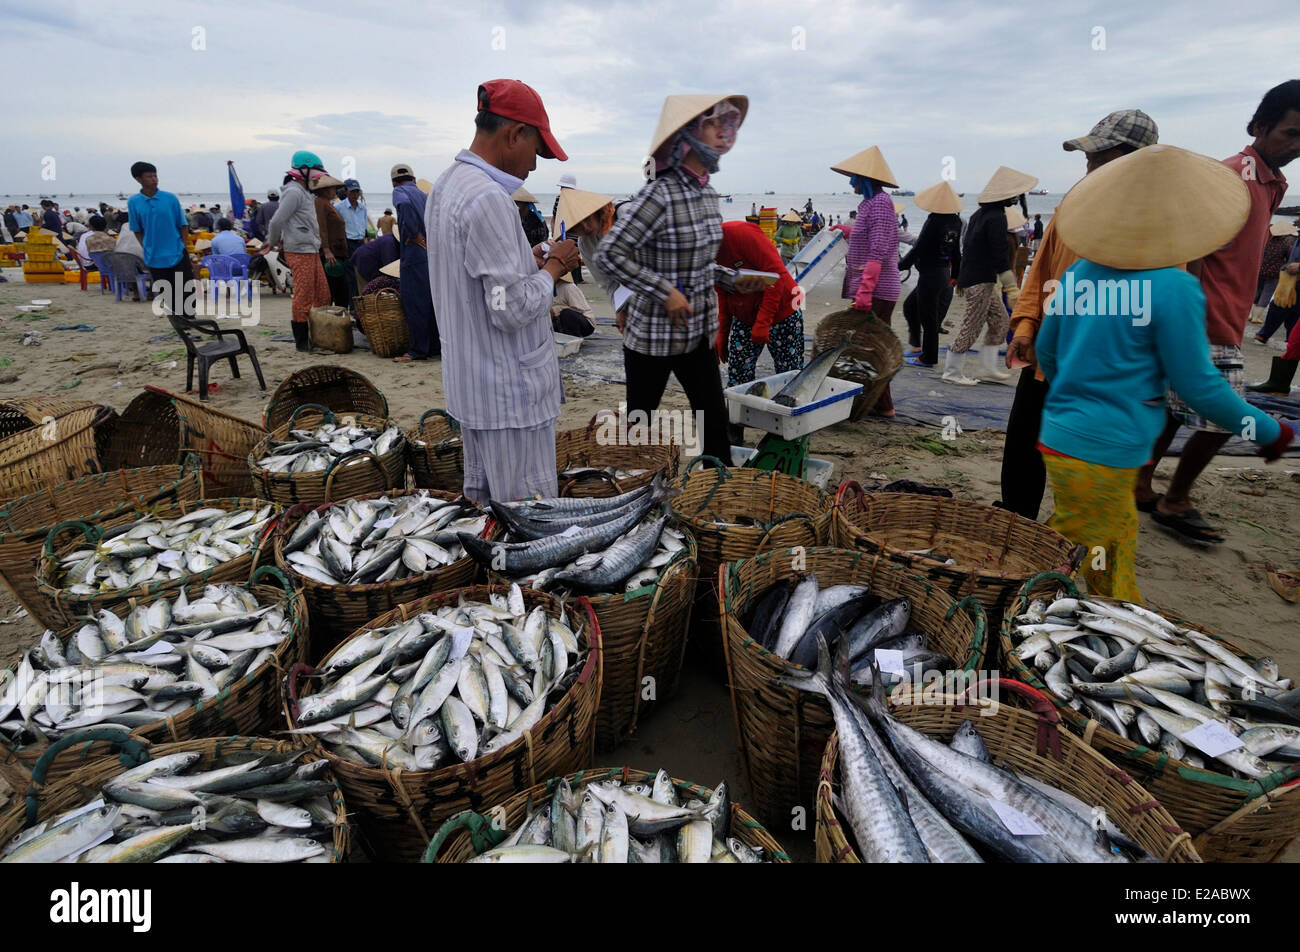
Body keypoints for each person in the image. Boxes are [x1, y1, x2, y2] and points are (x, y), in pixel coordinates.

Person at [1038, 145, 1292, 601]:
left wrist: (1078, 396)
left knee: (1085, 530)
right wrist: (1266, 427)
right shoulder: (1174, 287)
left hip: (1059, 435)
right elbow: (1198, 385)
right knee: (1105, 557)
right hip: (1110, 446)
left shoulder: (1077, 275)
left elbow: (1048, 352)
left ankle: (1049, 593)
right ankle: (1058, 606)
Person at [1134, 80, 1300, 543]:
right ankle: (1176, 500)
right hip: (1203, 319)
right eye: (1290, 133)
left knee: (1170, 409)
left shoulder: (1271, 181)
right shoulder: (1232, 178)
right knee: (1227, 415)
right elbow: (1184, 246)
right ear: (1260, 127)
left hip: (1224, 314)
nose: (1296, 146)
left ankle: (1142, 483)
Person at [998, 108, 1158, 521]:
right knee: (1022, 450)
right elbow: (1041, 273)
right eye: (1089, 156)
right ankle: (1018, 524)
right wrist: (1026, 325)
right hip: (1044, 361)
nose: (1088, 164)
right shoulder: (1074, 203)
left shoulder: (1159, 225)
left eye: (1100, 157)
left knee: (1086, 470)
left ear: (1134, 161)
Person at [425, 78, 580, 503]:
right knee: (526, 517)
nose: (533, 166)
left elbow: (474, 279)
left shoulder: (447, 186)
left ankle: (489, 572)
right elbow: (509, 308)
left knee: (484, 509)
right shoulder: (489, 198)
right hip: (510, 394)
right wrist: (554, 266)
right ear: (515, 134)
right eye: (536, 151)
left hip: (475, 386)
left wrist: (527, 260)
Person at [596, 93, 766, 467]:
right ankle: (628, 486)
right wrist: (665, 292)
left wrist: (735, 279)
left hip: (697, 332)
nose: (724, 132)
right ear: (687, 134)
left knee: (713, 424)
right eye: (713, 123)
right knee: (640, 423)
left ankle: (714, 493)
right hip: (652, 337)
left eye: (728, 124)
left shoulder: (708, 194)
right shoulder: (658, 195)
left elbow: (700, 265)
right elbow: (609, 255)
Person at [945, 165, 1038, 385]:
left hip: (978, 279)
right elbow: (999, 253)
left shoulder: (980, 214)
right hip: (980, 281)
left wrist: (961, 277)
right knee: (971, 325)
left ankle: (987, 368)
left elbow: (967, 248)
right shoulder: (996, 217)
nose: (1016, 198)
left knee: (1000, 322)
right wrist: (1011, 287)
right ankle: (952, 372)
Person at [715, 219, 804, 442]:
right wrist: (722, 334)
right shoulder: (701, 253)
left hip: (783, 310)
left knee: (789, 373)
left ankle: (789, 431)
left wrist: (763, 323)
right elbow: (723, 292)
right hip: (743, 314)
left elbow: (776, 279)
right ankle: (734, 431)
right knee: (737, 375)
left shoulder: (742, 234)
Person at [835, 145, 903, 416]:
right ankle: (877, 402)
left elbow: (879, 250)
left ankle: (884, 405)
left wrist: (865, 292)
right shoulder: (868, 204)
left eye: (853, 177)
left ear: (864, 179)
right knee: (867, 346)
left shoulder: (881, 204)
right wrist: (847, 231)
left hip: (878, 288)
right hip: (869, 286)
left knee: (871, 348)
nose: (850, 182)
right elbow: (868, 234)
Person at [266, 150, 332, 351]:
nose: (318, 175)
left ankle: (318, 334)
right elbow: (277, 220)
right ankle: (302, 343)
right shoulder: (294, 192)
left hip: (310, 249)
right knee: (303, 295)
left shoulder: (304, 192)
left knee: (323, 294)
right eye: (317, 171)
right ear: (303, 170)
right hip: (299, 250)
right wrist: (273, 241)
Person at [898, 181, 963, 368]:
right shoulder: (955, 221)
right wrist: (955, 275)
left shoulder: (934, 220)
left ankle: (928, 358)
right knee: (911, 306)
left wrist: (900, 266)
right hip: (942, 273)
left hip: (931, 275)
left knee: (929, 318)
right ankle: (918, 347)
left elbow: (919, 248)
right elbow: (955, 251)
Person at [127, 161, 196, 318]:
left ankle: (190, 320)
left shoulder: (170, 199)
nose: (154, 179)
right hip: (154, 255)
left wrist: (182, 246)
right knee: (166, 290)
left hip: (176, 252)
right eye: (149, 176)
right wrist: (146, 246)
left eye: (155, 175)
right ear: (139, 179)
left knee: (185, 288)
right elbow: (137, 229)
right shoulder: (134, 202)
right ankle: (177, 321)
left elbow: (183, 225)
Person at [391, 162, 440, 361]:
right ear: (413, 179)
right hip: (430, 255)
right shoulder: (424, 195)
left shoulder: (399, 192)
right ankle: (434, 347)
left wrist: (413, 233)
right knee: (430, 302)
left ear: (393, 182)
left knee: (414, 303)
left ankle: (418, 351)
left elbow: (403, 204)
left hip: (414, 255)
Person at [311, 170, 350, 307]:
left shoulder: (327, 203)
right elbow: (321, 227)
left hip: (337, 252)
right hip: (331, 254)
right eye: (333, 188)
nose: (335, 191)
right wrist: (326, 249)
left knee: (341, 290)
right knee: (335, 289)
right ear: (325, 190)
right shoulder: (320, 203)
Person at [1252, 221, 1297, 329]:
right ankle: (1256, 317)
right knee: (1266, 294)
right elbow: (1289, 258)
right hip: (1274, 273)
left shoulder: (1266, 241)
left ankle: (1250, 314)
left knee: (1257, 292)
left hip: (1260, 270)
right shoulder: (1285, 245)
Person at [334, 178, 368, 305]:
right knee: (350, 277)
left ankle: (359, 303)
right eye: (352, 192)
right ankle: (353, 305)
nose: (355, 195)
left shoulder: (362, 208)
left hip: (360, 243)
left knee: (361, 274)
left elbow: (364, 227)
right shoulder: (338, 207)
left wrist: (365, 242)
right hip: (347, 243)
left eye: (357, 192)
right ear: (346, 192)